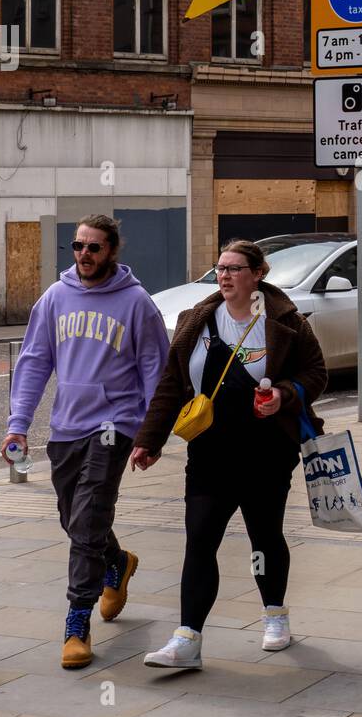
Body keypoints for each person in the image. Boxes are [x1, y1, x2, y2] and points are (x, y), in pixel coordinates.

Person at [130, 238, 327, 667]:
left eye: (235, 268)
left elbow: (316, 372)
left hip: (267, 448)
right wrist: (150, 439)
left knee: (264, 534)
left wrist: (285, 394)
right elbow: (170, 384)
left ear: (257, 274)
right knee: (200, 538)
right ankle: (188, 639)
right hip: (210, 450)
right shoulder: (196, 321)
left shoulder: (286, 321)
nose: (224, 275)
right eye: (220, 268)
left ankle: (275, 613)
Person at [2, 214, 170, 668]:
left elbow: (157, 370)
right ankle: (117, 563)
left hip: (114, 426)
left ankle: (77, 621)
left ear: (112, 251)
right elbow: (35, 362)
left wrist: (151, 436)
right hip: (66, 428)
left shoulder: (137, 303)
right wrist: (19, 423)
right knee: (74, 519)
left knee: (90, 514)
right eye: (78, 246)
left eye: (94, 247)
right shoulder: (55, 298)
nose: (84, 255)